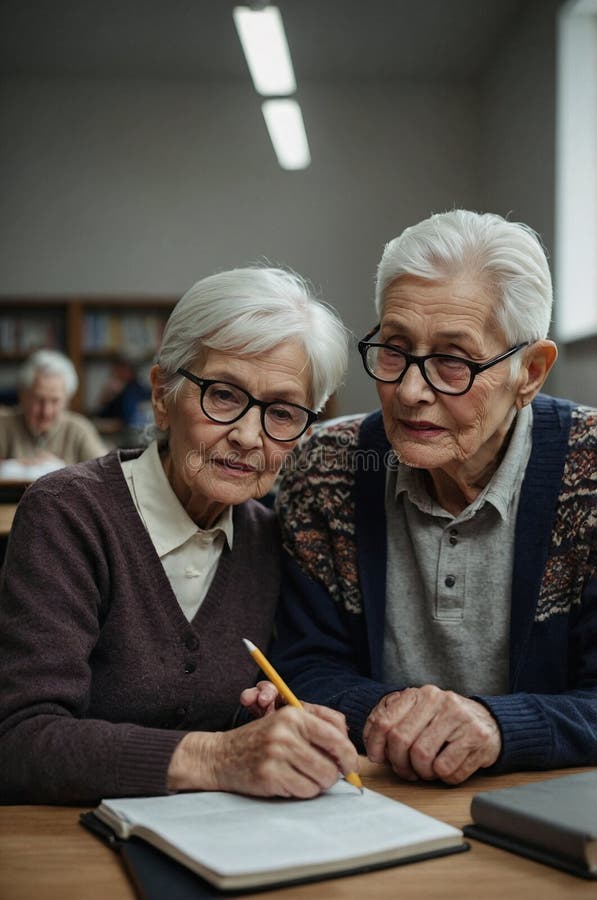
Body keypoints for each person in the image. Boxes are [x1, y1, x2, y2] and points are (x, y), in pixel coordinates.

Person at [0, 267, 357, 804]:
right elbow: (19, 741)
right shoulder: (66, 513)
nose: (246, 436)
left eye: (281, 412)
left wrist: (262, 722)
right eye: (223, 395)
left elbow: (214, 707)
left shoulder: (269, 538)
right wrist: (219, 756)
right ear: (163, 395)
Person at [270, 210, 597, 785]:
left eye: (452, 361)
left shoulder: (590, 473)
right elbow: (302, 664)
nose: (411, 391)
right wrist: (388, 714)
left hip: (551, 808)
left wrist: (497, 725)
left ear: (531, 371)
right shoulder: (323, 466)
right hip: (372, 795)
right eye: (394, 350)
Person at [0, 349, 106, 470]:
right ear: (23, 396)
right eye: (39, 400)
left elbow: (106, 476)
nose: (46, 411)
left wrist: (62, 470)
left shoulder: (79, 430)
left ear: (67, 399)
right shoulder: (3, 424)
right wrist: (12, 466)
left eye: (55, 401)